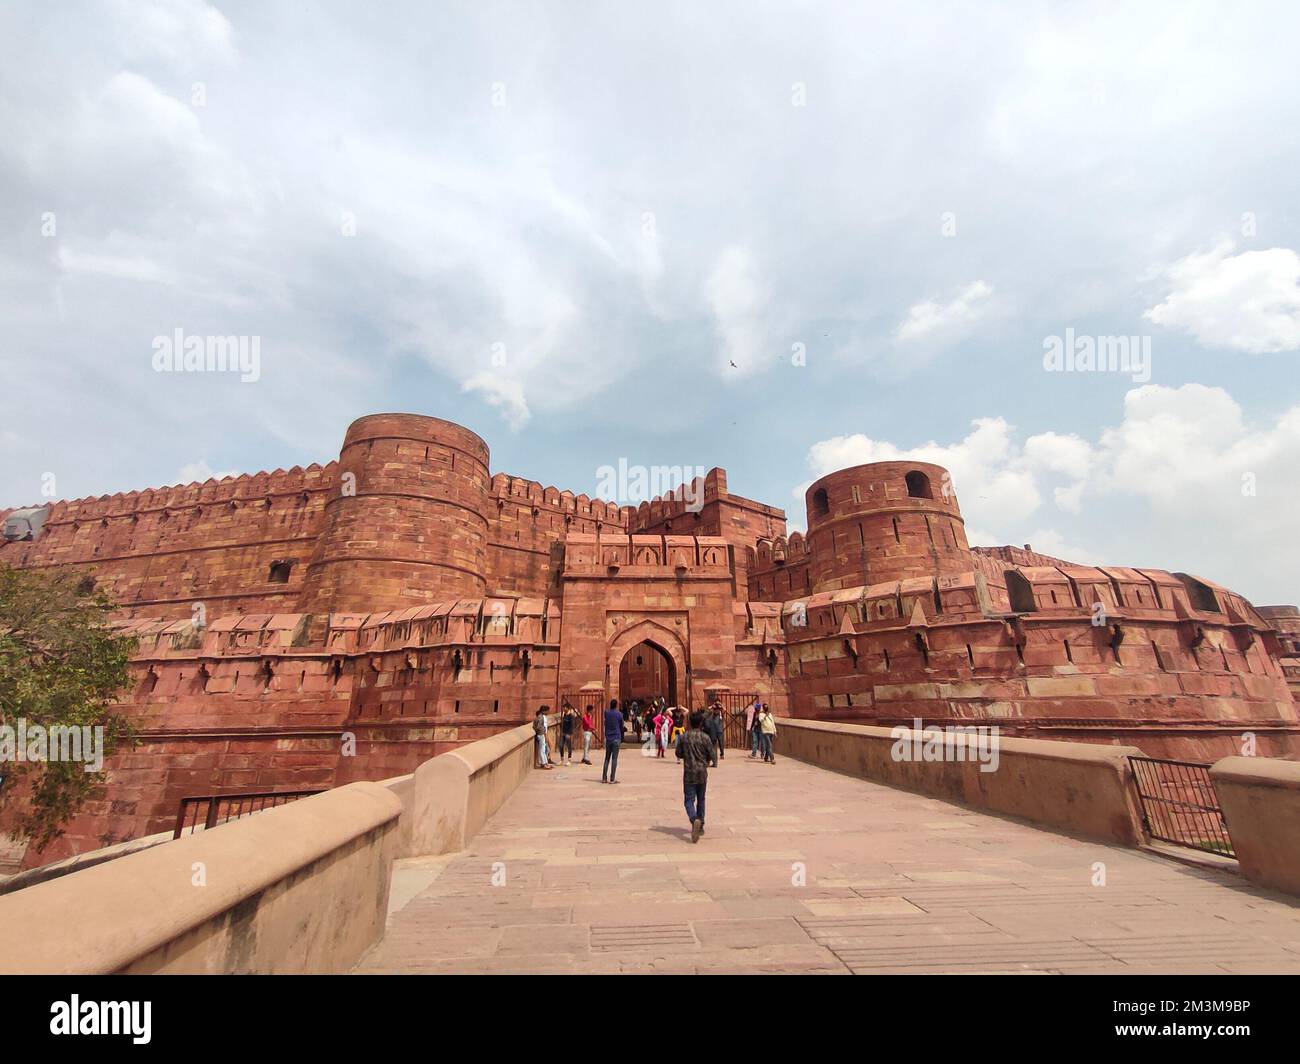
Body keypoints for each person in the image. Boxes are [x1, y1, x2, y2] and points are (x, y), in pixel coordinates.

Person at [675, 710, 714, 843]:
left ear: (690, 723)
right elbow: (712, 754)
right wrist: (706, 760)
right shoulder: (705, 737)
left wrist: (687, 754)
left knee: (688, 800)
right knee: (701, 799)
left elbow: (678, 753)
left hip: (689, 773)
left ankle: (694, 819)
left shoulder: (684, 736)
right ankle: (701, 825)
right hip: (702, 772)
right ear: (701, 723)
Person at [602, 698, 624, 783]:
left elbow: (605, 722)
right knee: (614, 759)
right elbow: (621, 726)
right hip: (616, 737)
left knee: (607, 758)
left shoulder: (606, 713)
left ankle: (604, 778)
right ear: (616, 705)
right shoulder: (619, 714)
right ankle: (612, 778)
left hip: (608, 738)